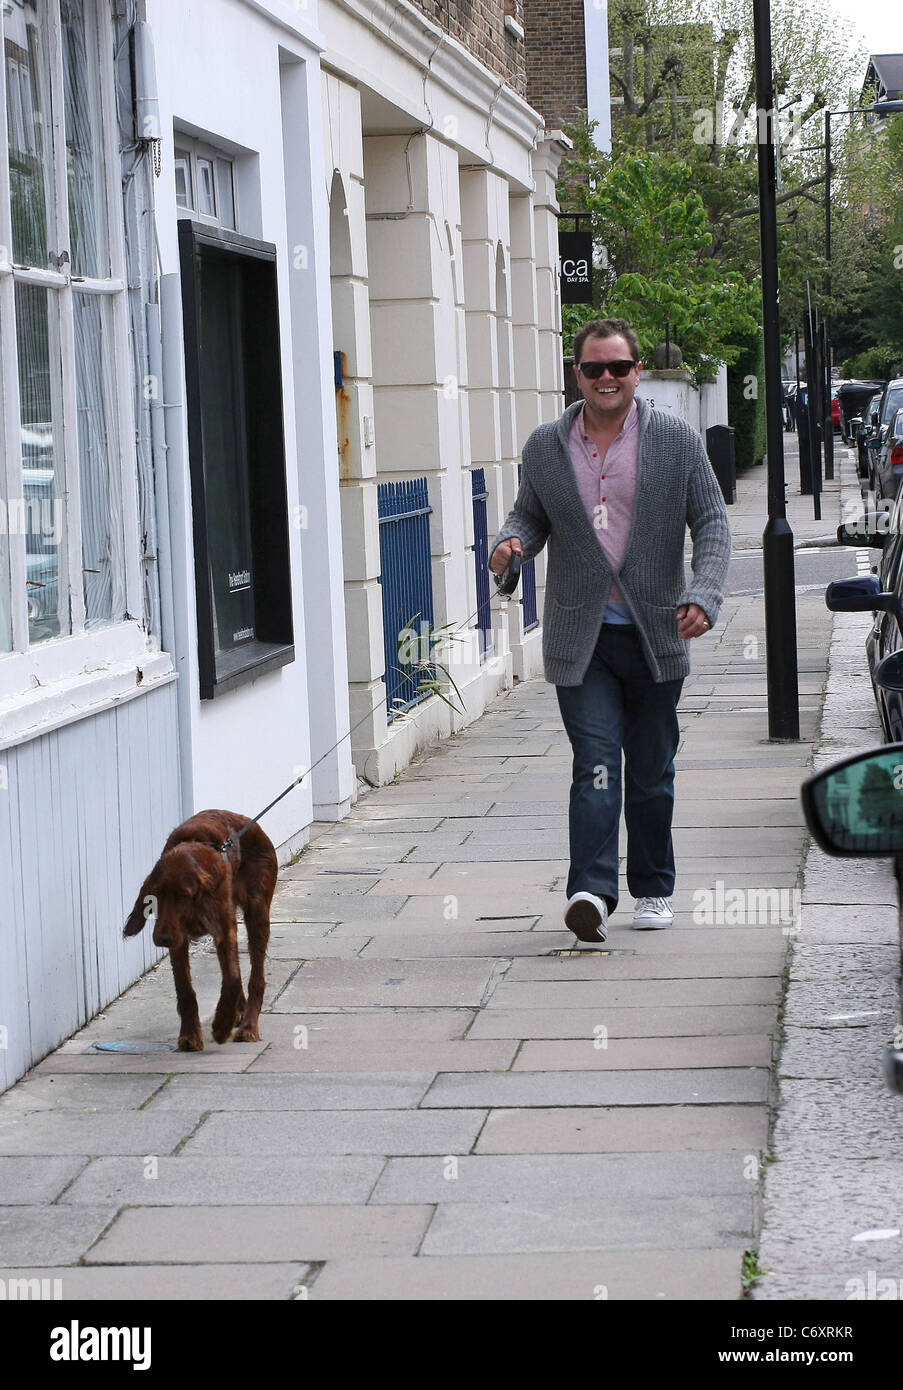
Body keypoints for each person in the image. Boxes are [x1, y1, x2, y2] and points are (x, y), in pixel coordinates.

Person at [488, 318, 731, 945]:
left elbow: (711, 522)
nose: (606, 378)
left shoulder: (675, 440)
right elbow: (529, 513)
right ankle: (591, 893)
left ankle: (653, 888)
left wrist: (703, 593)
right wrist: (512, 544)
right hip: (582, 636)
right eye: (594, 368)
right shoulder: (547, 445)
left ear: (636, 371)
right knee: (595, 763)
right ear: (578, 374)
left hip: (657, 633)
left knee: (650, 770)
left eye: (618, 367)